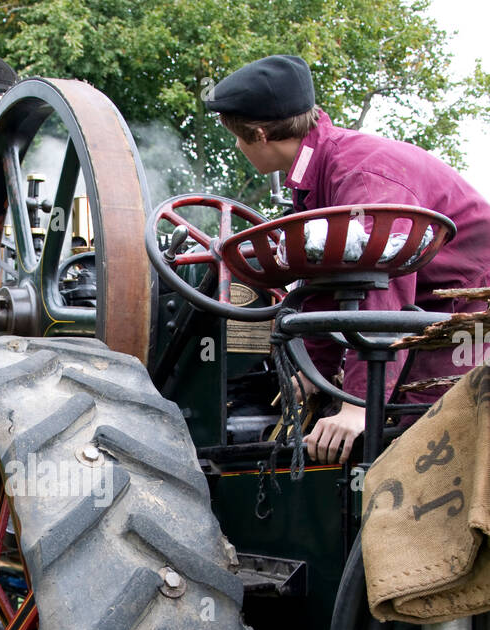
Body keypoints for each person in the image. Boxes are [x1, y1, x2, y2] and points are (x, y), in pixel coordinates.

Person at [205, 54, 490, 463]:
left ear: (261, 134)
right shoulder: (321, 172)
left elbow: (380, 290)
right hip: (430, 300)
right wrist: (313, 376)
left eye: (238, 137)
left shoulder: (363, 176)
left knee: (420, 431)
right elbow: (327, 284)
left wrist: (357, 408)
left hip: (467, 306)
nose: (236, 146)